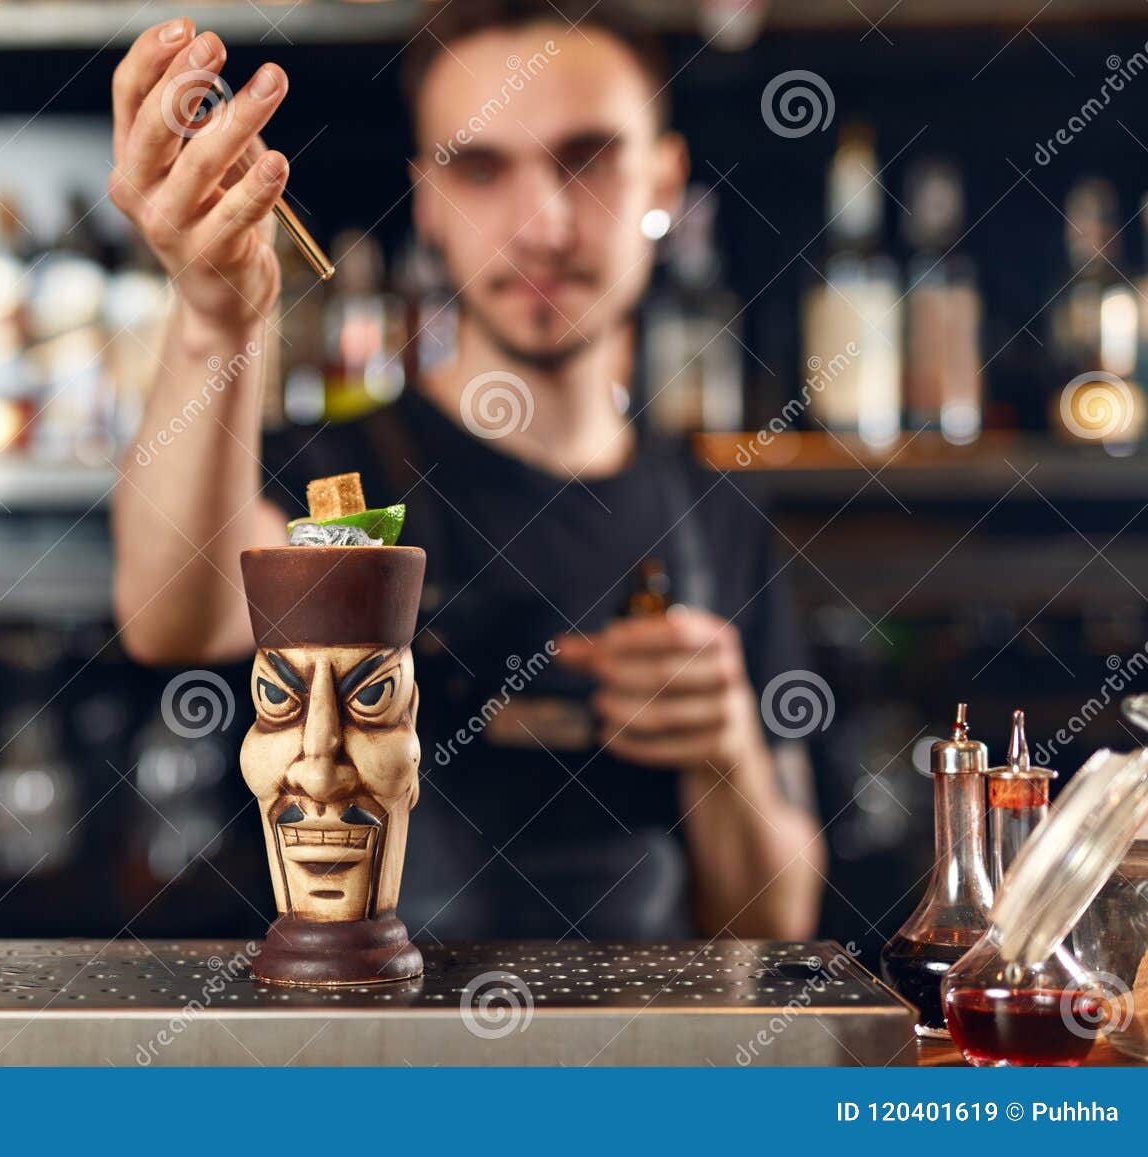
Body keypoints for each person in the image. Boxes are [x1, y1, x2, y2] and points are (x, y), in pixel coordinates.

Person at [107, 0, 825, 940]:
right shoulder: (336, 475)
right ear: (430, 202)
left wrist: (727, 757)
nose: (546, 225)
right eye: (481, 168)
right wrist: (215, 319)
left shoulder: (717, 515)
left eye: (589, 158)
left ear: (666, 178)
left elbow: (774, 925)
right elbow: (175, 614)